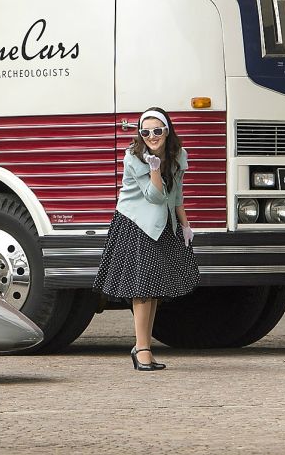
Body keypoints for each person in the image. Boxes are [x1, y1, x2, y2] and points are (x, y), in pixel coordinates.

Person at [94, 107, 199, 371]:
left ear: (167, 130)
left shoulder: (177, 155)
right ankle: (142, 349)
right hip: (136, 223)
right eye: (146, 131)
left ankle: (144, 347)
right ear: (140, 134)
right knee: (142, 289)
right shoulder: (135, 157)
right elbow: (154, 196)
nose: (152, 136)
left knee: (154, 292)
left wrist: (185, 225)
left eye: (158, 130)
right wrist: (154, 169)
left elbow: (175, 196)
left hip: (163, 224)